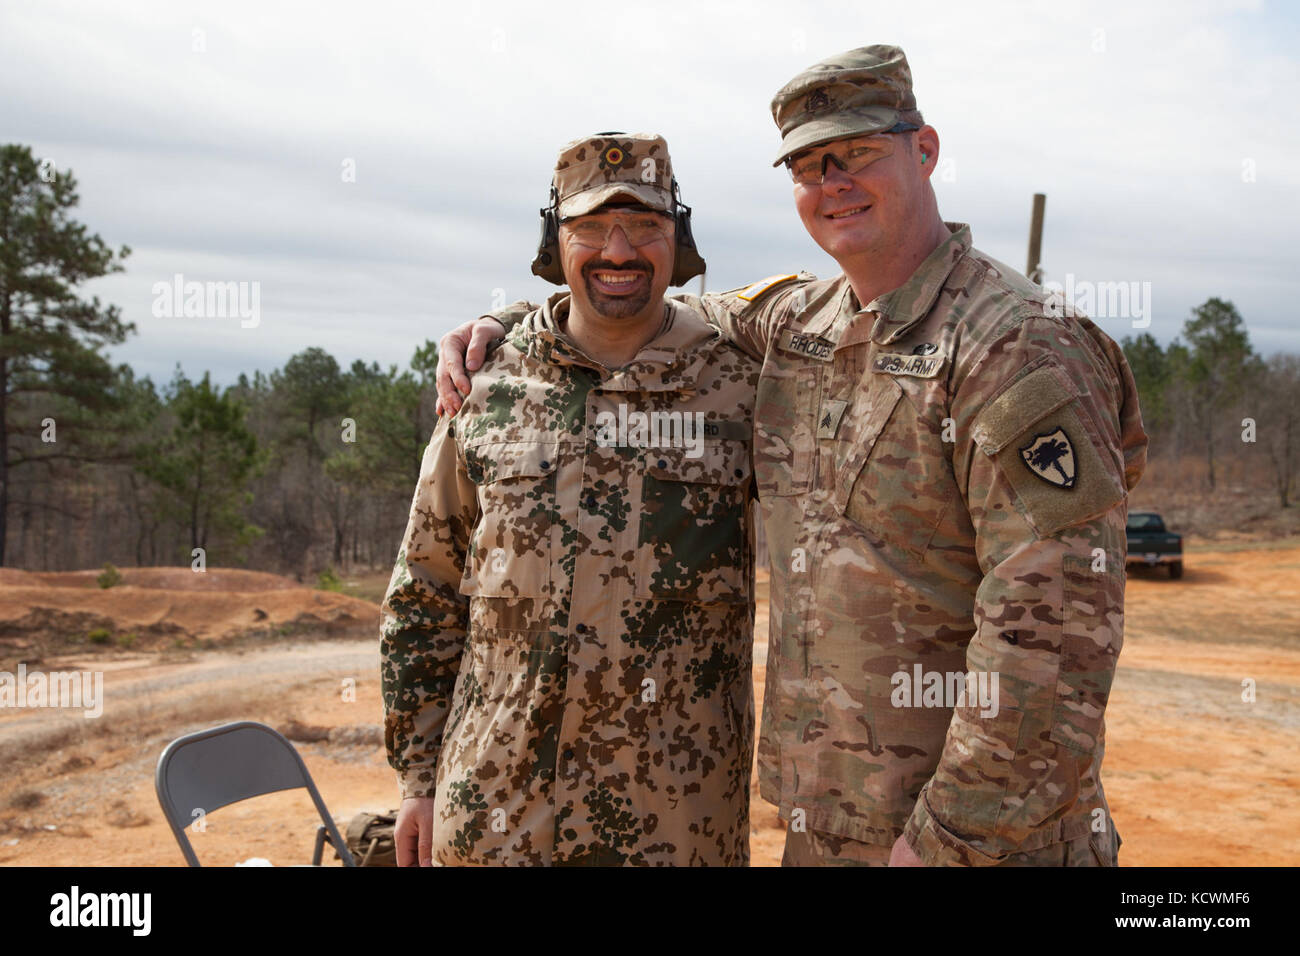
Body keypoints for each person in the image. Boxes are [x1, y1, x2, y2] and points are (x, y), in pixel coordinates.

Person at [436, 46, 1148, 867]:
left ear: (925, 151)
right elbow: (639, 298)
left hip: (979, 841)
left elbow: (1055, 640)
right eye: (809, 167)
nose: (832, 182)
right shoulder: (802, 323)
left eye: (859, 154)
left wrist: (954, 837)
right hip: (831, 826)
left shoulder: (1013, 344)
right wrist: (521, 321)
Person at [382, 132, 761, 866]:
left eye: (645, 227)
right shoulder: (486, 391)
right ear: (554, 241)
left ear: (677, 239)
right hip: (500, 816)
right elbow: (424, 592)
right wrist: (419, 778)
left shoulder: (741, 386)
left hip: (678, 823)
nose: (617, 250)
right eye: (589, 228)